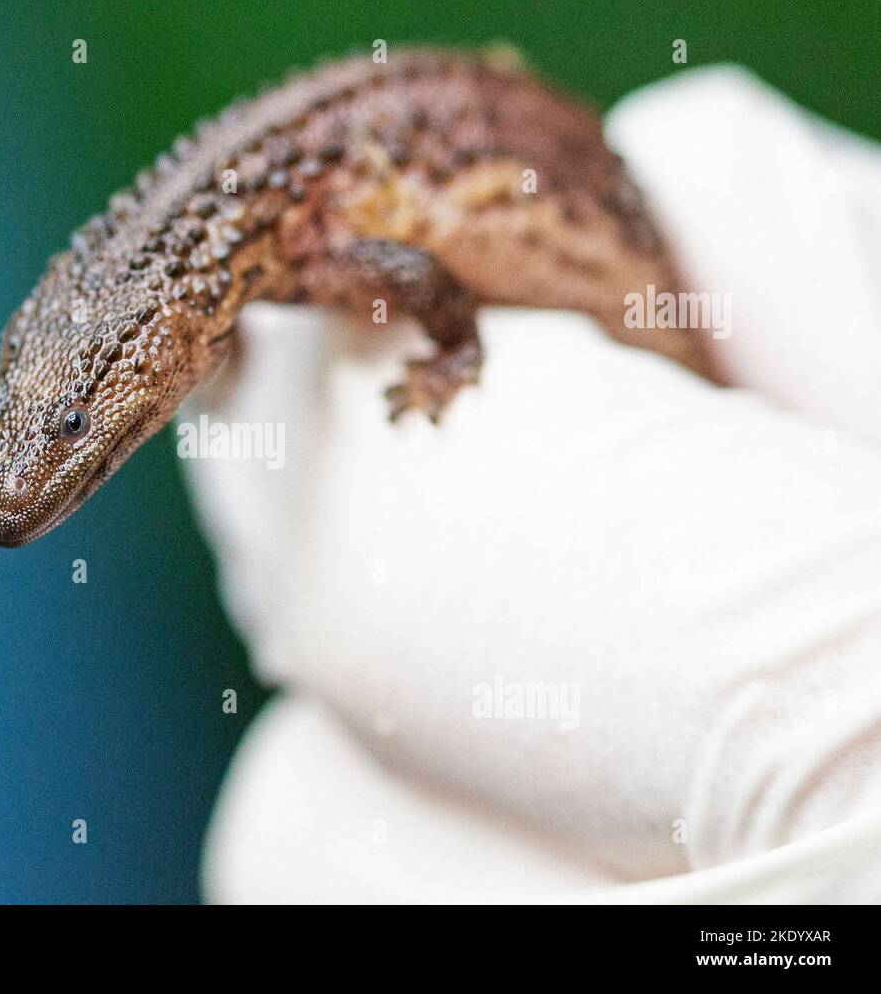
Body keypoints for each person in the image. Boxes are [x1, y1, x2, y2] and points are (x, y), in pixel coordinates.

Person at [183, 65, 881, 903]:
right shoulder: (253, 259)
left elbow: (414, 274)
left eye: (77, 427)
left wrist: (452, 356)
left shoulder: (301, 237)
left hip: (606, 230)